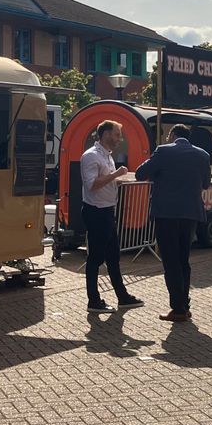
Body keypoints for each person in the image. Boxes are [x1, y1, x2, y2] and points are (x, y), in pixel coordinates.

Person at [135, 123, 211, 323]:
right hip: (191, 214)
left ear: (172, 135)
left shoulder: (163, 151)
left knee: (170, 262)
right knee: (183, 260)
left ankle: (177, 309)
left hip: (167, 214)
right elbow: (205, 183)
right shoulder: (202, 155)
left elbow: (140, 173)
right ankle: (184, 304)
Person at [79, 120, 144, 313]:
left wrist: (120, 180)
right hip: (96, 211)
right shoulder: (90, 156)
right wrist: (116, 174)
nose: (119, 139)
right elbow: (92, 184)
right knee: (96, 257)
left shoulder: (107, 156)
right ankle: (93, 300)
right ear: (105, 134)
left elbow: (106, 181)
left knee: (113, 257)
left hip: (107, 211)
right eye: (117, 134)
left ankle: (122, 296)